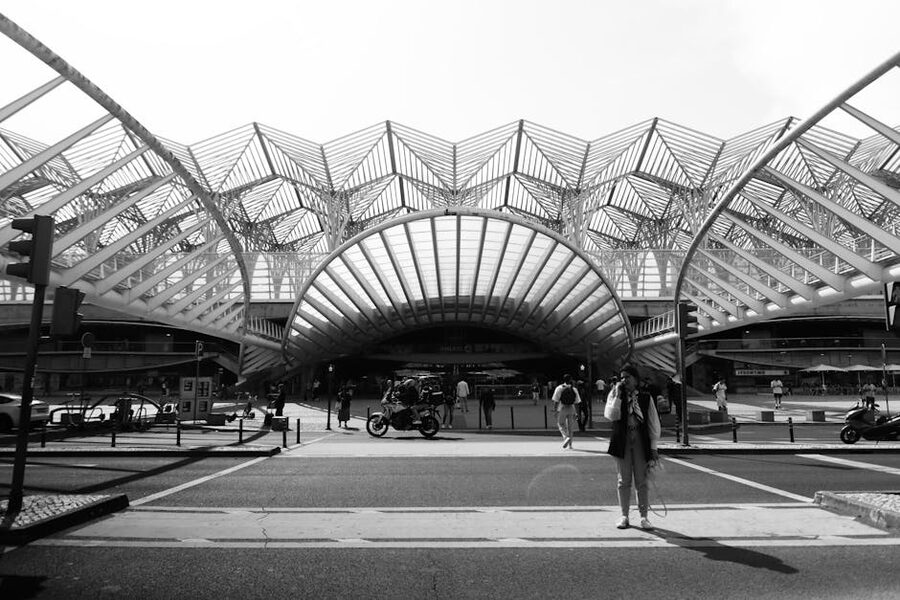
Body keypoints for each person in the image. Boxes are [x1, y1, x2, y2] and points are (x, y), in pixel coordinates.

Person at [606, 364, 661, 530]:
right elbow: (611, 416)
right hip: (622, 440)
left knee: (641, 480)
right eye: (622, 377)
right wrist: (617, 397)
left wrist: (653, 447)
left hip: (640, 440)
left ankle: (644, 517)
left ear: (636, 380)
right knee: (623, 480)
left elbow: (653, 422)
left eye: (627, 377)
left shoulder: (645, 398)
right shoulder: (616, 394)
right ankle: (624, 515)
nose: (624, 380)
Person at [551, 374, 581, 449]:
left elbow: (556, 400)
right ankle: (570, 445)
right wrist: (577, 413)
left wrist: (555, 410)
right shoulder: (574, 389)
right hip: (571, 408)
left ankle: (566, 437)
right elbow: (577, 402)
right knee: (570, 427)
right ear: (570, 380)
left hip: (562, 407)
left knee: (561, 424)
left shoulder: (559, 388)